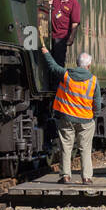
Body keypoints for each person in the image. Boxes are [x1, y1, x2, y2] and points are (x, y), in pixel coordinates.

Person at [40, 46, 101, 183]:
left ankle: (65, 176)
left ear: (77, 63)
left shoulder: (66, 75)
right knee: (85, 149)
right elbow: (97, 102)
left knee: (66, 147)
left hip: (67, 118)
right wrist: (94, 116)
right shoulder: (93, 80)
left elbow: (53, 66)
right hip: (86, 120)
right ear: (89, 65)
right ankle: (86, 177)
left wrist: (46, 53)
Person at [49, 0, 81, 69]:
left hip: (61, 36)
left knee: (58, 62)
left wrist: (71, 38)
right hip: (50, 33)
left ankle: (58, 82)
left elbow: (75, 23)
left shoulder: (75, 4)